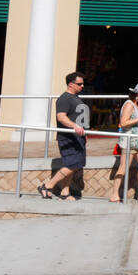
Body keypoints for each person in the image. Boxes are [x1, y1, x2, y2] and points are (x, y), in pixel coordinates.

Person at [38, 71, 89, 200]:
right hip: (68, 137)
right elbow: (61, 117)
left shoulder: (76, 97)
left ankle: (65, 192)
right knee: (73, 164)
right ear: (71, 84)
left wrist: (84, 134)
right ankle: (47, 186)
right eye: (79, 84)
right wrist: (74, 126)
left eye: (83, 83)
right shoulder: (64, 98)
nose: (82, 86)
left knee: (73, 165)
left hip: (78, 137)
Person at [110, 83, 138, 202]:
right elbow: (123, 122)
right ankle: (114, 195)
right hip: (129, 142)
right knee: (123, 168)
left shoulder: (134, 104)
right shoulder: (129, 105)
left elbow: (133, 121)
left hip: (137, 142)